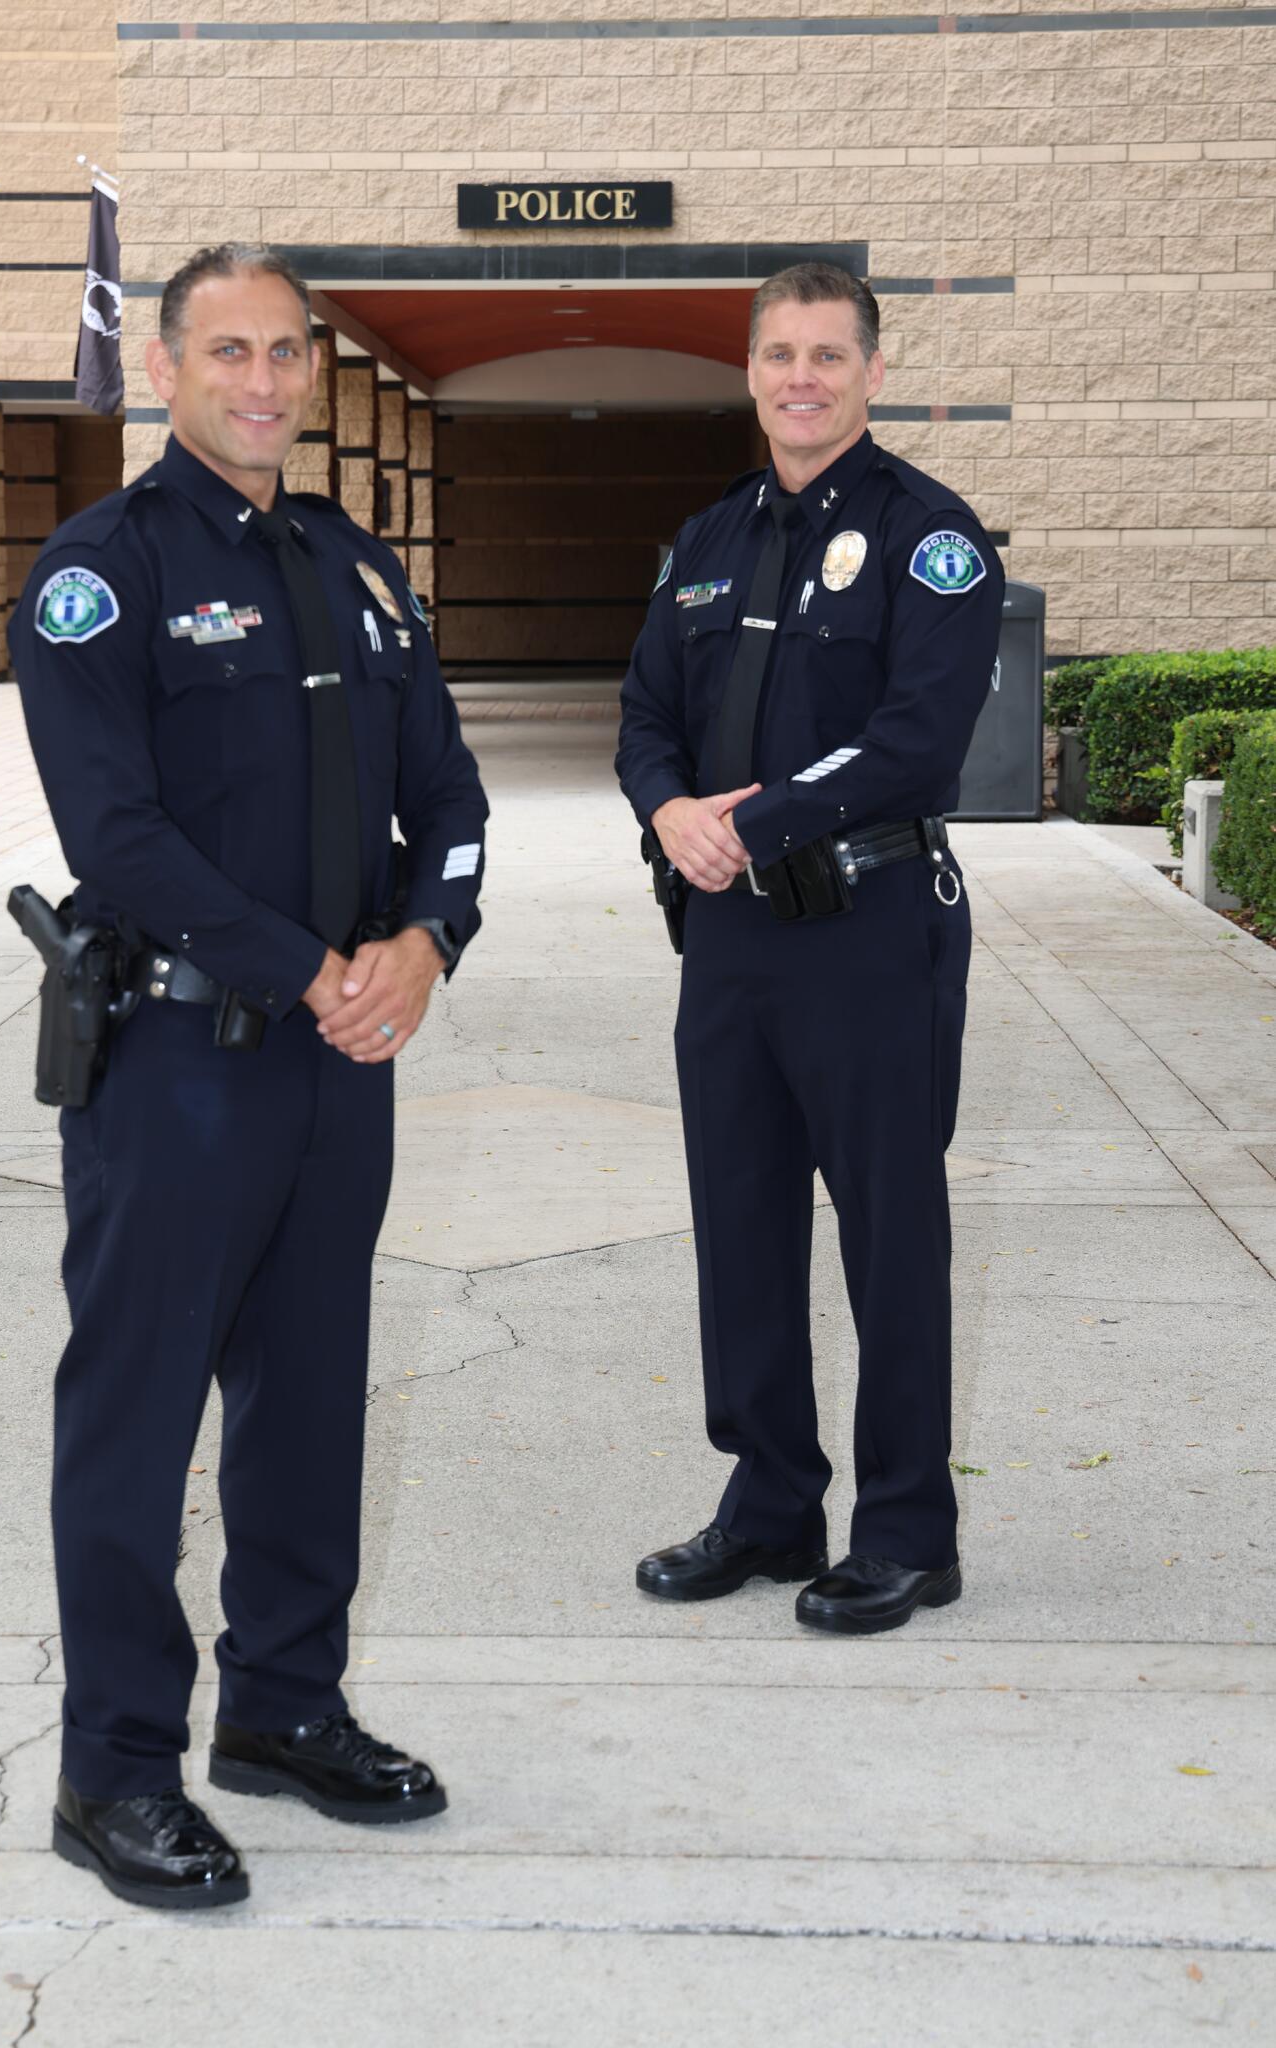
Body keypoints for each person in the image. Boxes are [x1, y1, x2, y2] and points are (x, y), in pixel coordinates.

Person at [8, 244, 488, 1910]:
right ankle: (113, 1768)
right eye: (231, 351)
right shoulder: (102, 574)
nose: (267, 381)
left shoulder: (359, 572)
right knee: (135, 1422)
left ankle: (281, 1710)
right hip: (178, 1061)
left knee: (307, 1406)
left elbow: (452, 791)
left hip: (338, 1064)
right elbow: (115, 836)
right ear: (166, 366)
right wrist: (311, 969)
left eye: (288, 351)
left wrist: (427, 941)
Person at [616, 262, 1002, 1636]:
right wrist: (669, 813)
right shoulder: (708, 539)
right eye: (778, 353)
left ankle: (906, 1531)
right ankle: (770, 1504)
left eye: (827, 355)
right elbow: (644, 711)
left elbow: (917, 739)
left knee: (888, 1236)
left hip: (869, 930)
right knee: (740, 1219)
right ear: (750, 370)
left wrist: (759, 817)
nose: (800, 377)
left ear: (870, 371)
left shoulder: (928, 538)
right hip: (727, 939)